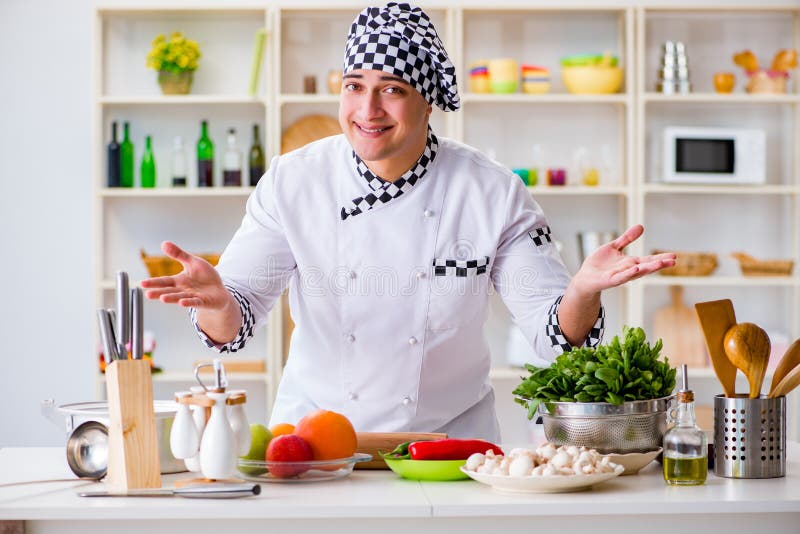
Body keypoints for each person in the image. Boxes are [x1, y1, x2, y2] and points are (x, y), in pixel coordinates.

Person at [142, 2, 675, 442]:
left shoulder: (490, 192)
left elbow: (553, 333)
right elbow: (236, 322)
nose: (367, 109)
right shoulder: (292, 182)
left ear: (428, 102)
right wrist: (216, 305)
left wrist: (582, 291)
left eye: (392, 89)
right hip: (313, 444)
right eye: (354, 85)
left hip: (450, 448)